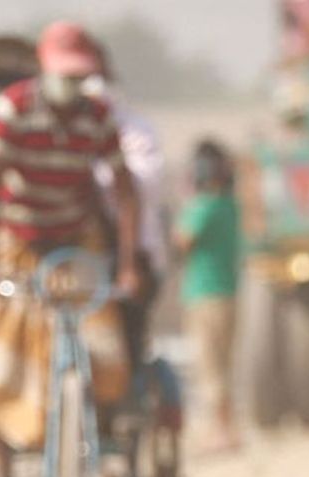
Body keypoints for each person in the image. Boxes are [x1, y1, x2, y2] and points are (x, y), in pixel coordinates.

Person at [0, 21, 141, 477]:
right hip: (18, 237)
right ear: (44, 69)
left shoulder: (99, 117)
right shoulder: (13, 109)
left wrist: (127, 264)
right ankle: (2, 471)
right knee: (8, 349)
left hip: (75, 238)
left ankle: (99, 441)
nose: (72, 86)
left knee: (104, 343)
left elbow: (125, 190)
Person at [85, 45, 169, 370]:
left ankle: (130, 397)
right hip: (77, 253)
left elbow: (137, 188)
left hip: (131, 252)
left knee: (127, 335)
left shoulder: (135, 130)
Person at [175, 139, 241, 452]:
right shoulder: (229, 205)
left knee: (209, 366)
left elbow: (182, 242)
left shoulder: (204, 207)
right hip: (227, 293)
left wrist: (185, 204)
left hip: (205, 294)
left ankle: (222, 432)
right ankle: (226, 428)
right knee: (222, 364)